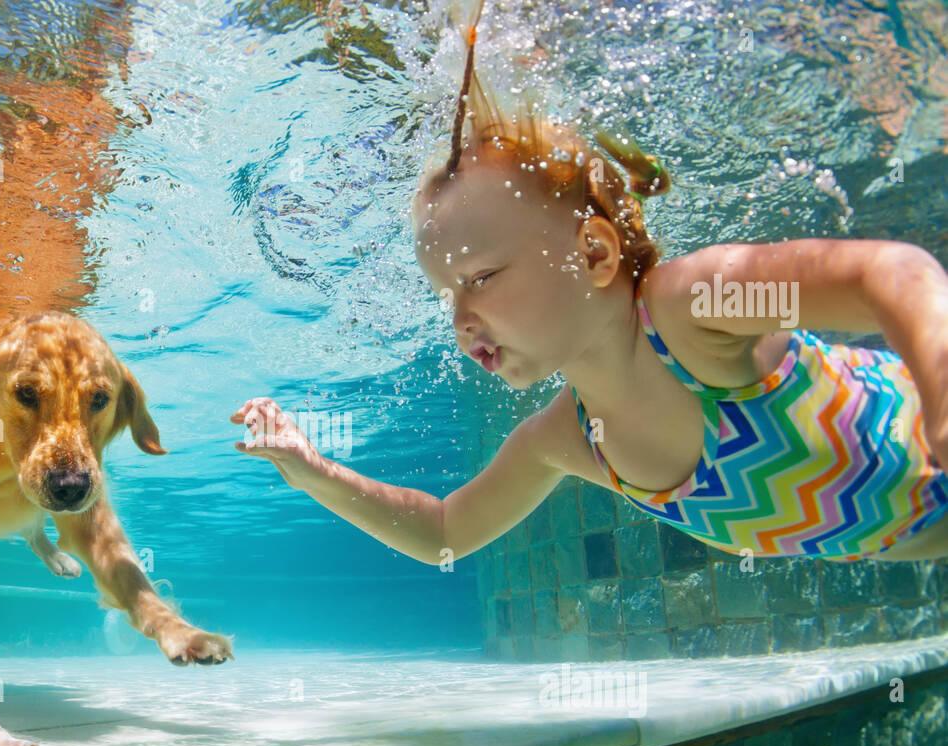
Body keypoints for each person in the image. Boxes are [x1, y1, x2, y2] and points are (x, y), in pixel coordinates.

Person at [231, 0, 948, 564]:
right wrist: (313, 470)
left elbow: (892, 275)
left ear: (597, 255)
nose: (461, 317)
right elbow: (446, 532)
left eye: (480, 277)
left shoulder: (694, 311)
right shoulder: (572, 438)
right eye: (447, 296)